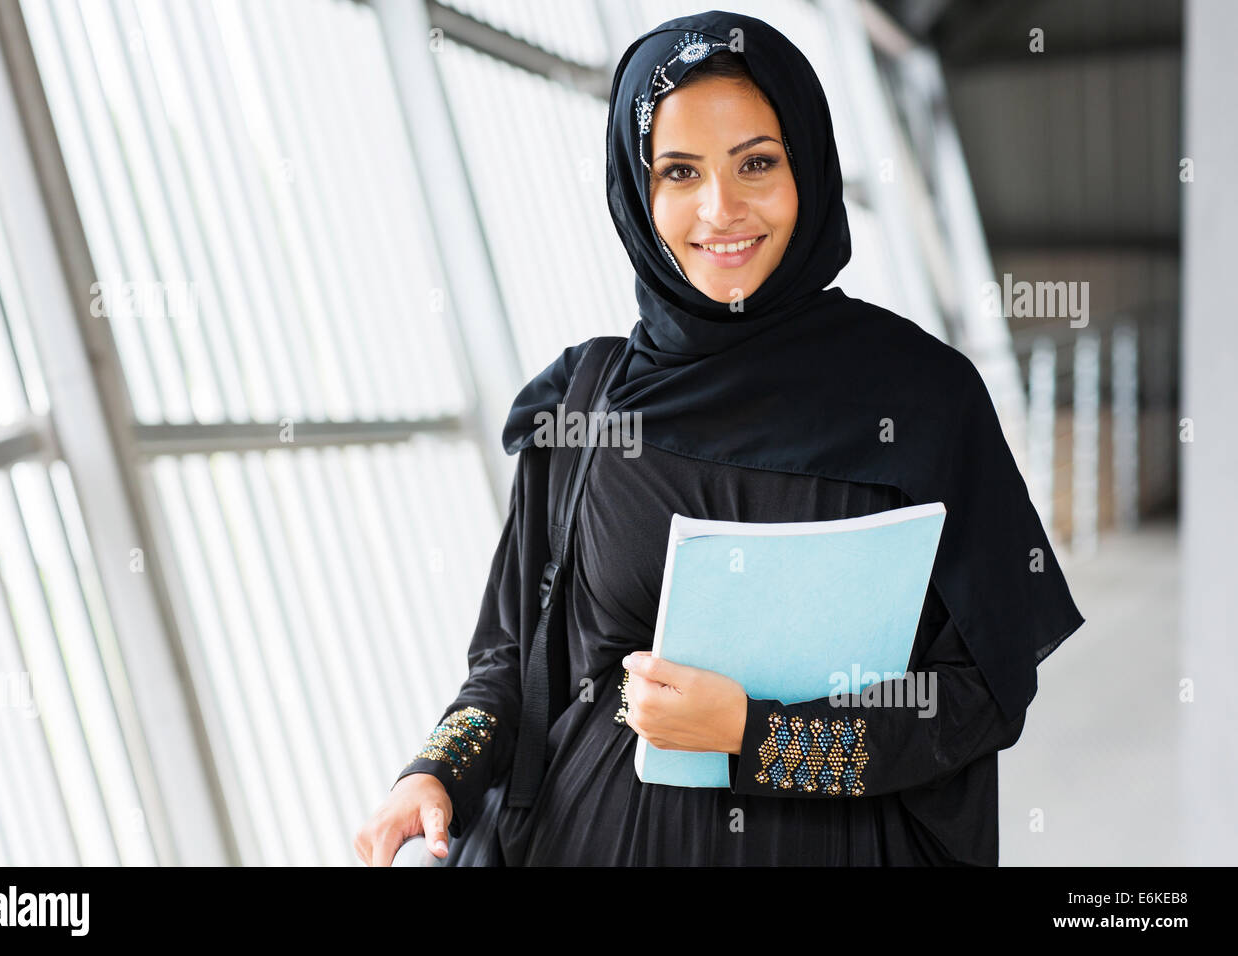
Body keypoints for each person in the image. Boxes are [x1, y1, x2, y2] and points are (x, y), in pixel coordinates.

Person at [355, 10, 1084, 867]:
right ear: (638, 189)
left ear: (808, 165)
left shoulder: (924, 400)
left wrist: (757, 736)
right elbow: (510, 662)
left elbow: (980, 696)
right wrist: (437, 769)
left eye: (757, 164)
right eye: (679, 171)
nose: (720, 210)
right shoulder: (586, 402)